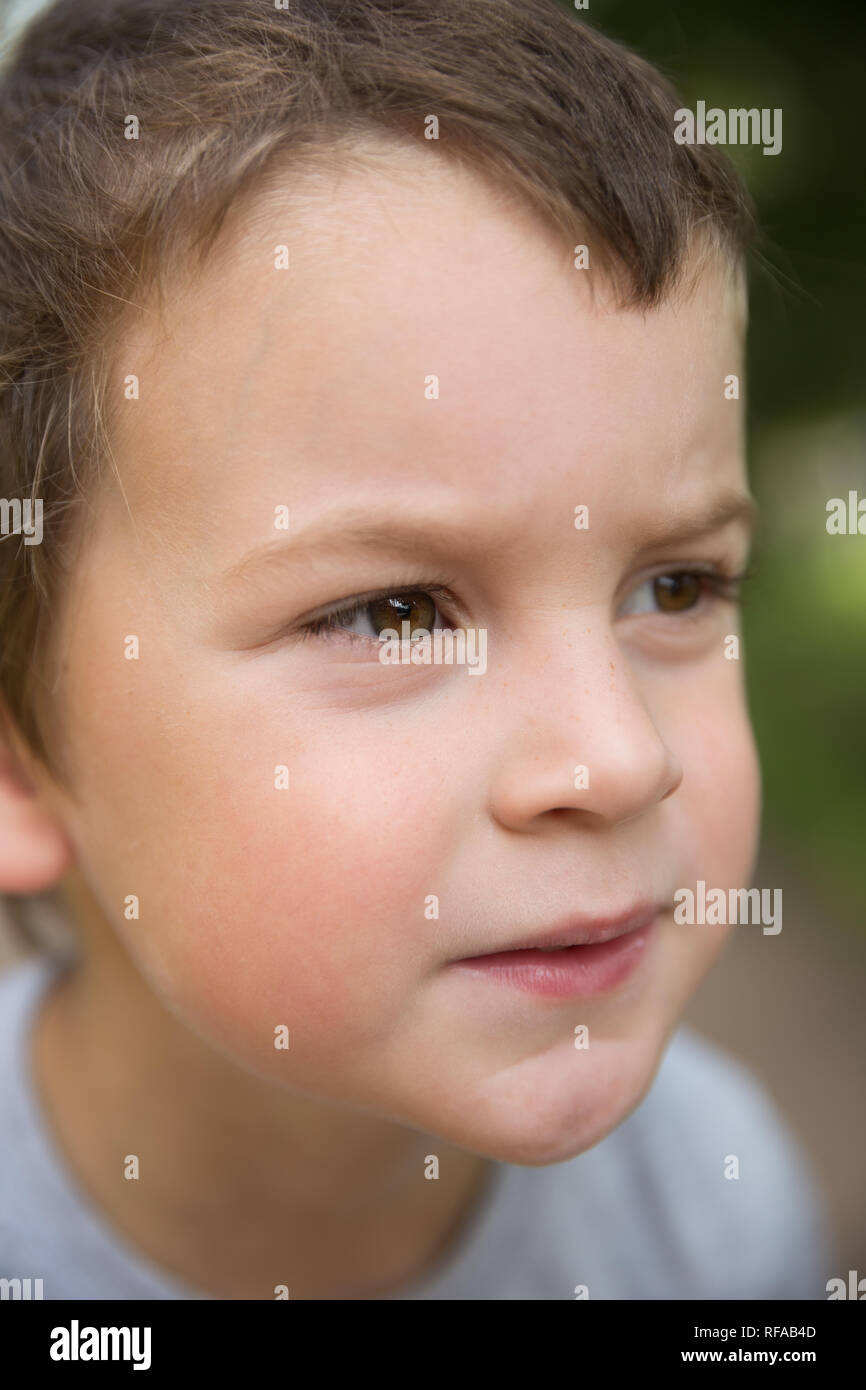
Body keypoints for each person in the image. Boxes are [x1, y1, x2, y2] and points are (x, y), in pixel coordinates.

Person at [0, 0, 832, 1299]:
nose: (619, 759)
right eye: (394, 612)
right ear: (17, 754)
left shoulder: (714, 1218)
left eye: (672, 583)